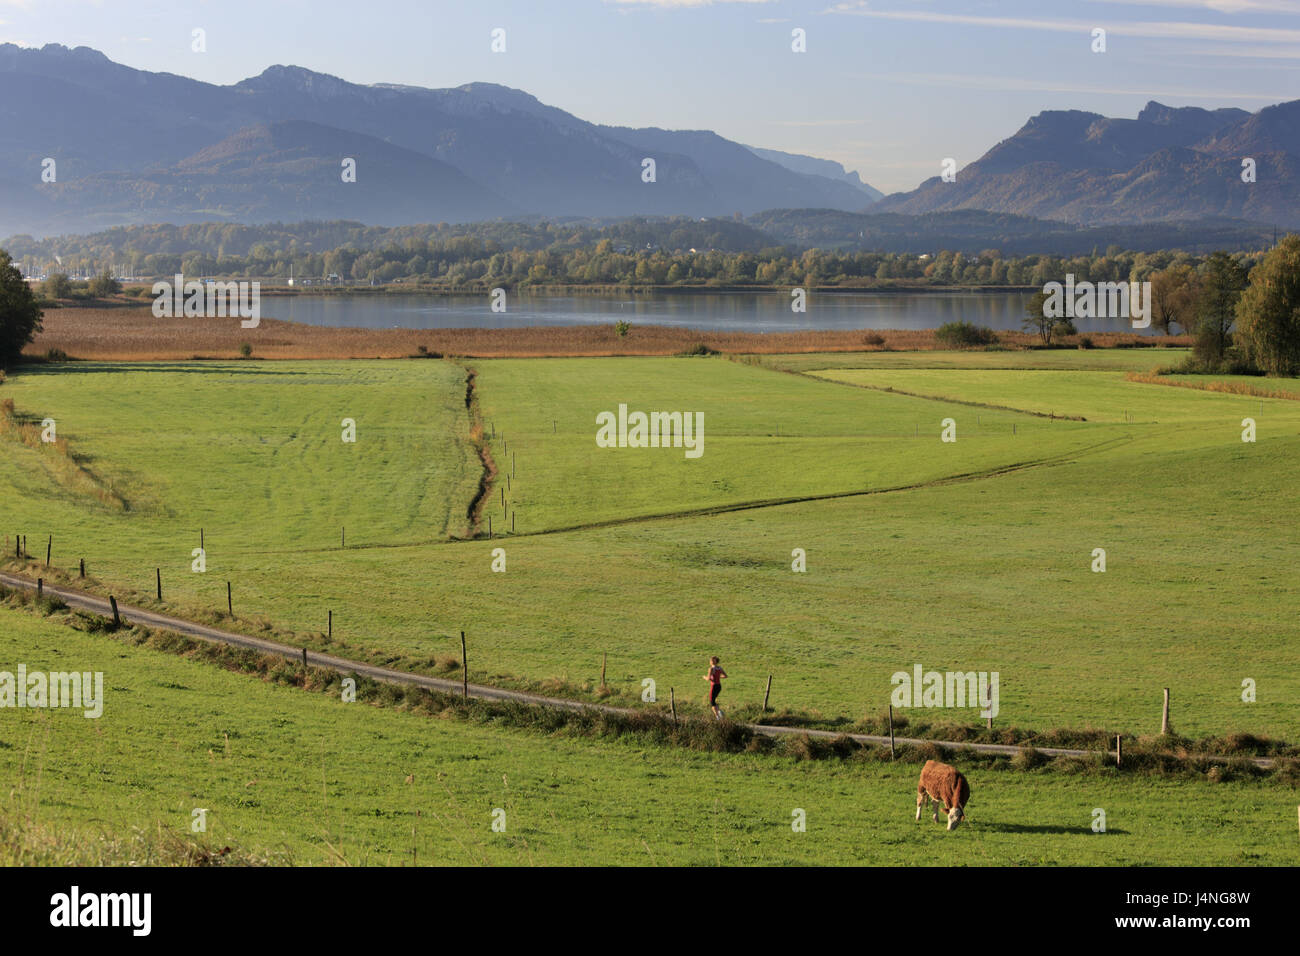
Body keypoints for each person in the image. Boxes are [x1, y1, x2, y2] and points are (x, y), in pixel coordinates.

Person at [703, 656, 727, 720]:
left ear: (713, 661)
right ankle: (719, 712)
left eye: (710, 660)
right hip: (719, 686)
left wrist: (704, 677)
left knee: (712, 702)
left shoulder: (711, 669)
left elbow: (708, 679)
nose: (710, 662)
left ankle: (718, 716)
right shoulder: (720, 668)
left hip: (713, 686)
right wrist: (718, 677)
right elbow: (725, 676)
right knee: (713, 701)